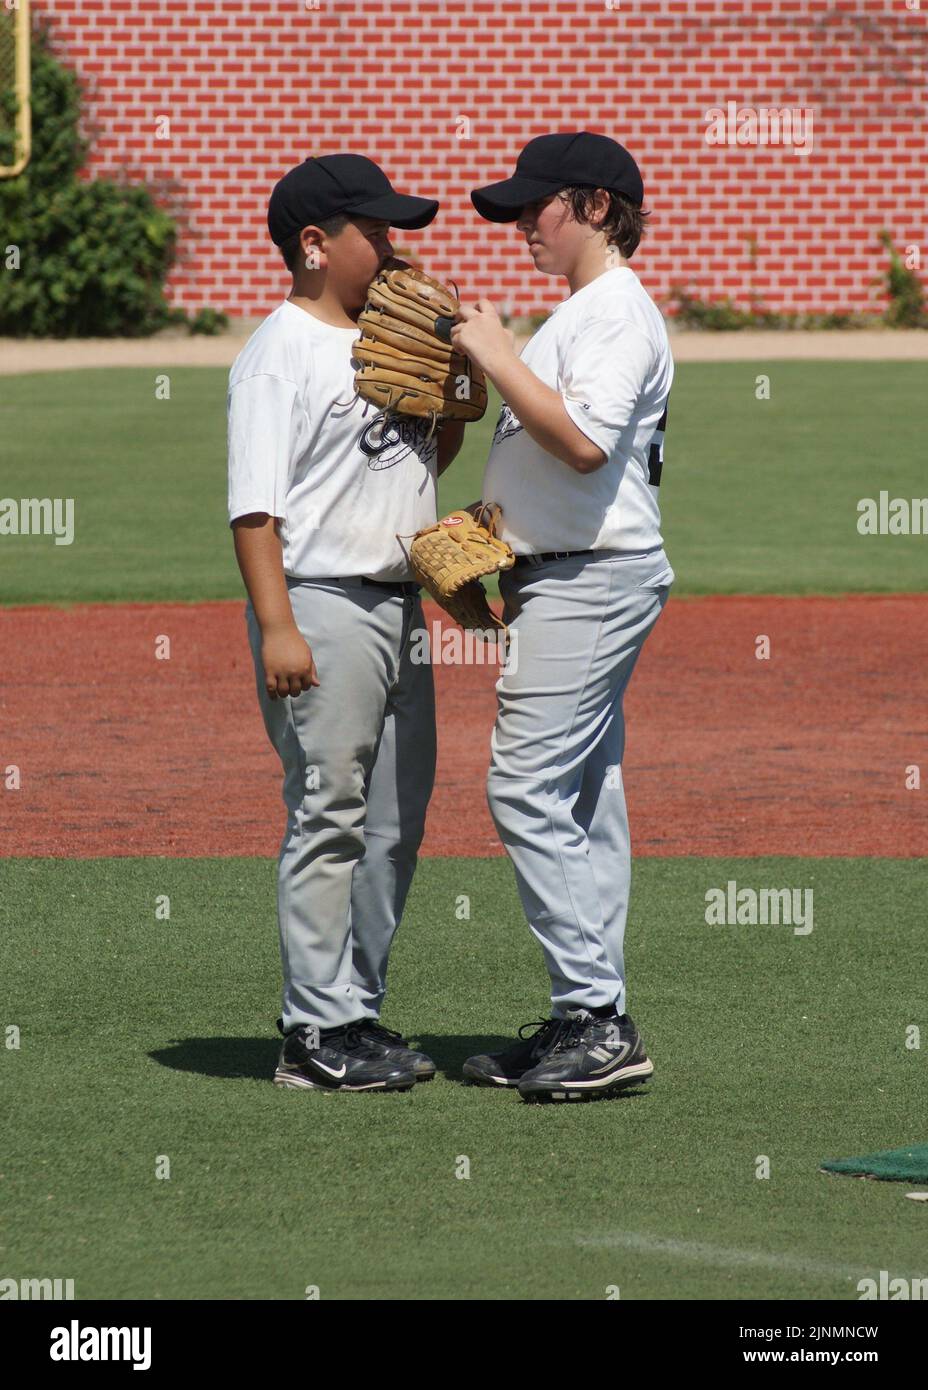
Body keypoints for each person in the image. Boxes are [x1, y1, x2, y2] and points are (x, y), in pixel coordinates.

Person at [227, 154, 466, 1093]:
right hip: (321, 602)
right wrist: (278, 626)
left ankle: (355, 1011)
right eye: (380, 233)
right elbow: (256, 511)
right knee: (330, 815)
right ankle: (312, 1032)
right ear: (318, 246)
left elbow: (424, 453)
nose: (397, 250)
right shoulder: (276, 354)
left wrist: (450, 396)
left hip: (403, 603)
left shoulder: (385, 339)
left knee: (397, 821)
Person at [451, 132, 674, 1102]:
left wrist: (496, 354)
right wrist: (484, 540)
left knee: (523, 785)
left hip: (594, 578)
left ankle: (596, 1016)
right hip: (561, 572)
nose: (519, 227)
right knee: (584, 800)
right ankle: (584, 1011)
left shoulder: (616, 312)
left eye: (533, 209)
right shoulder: (578, 313)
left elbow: (584, 444)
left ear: (591, 205)